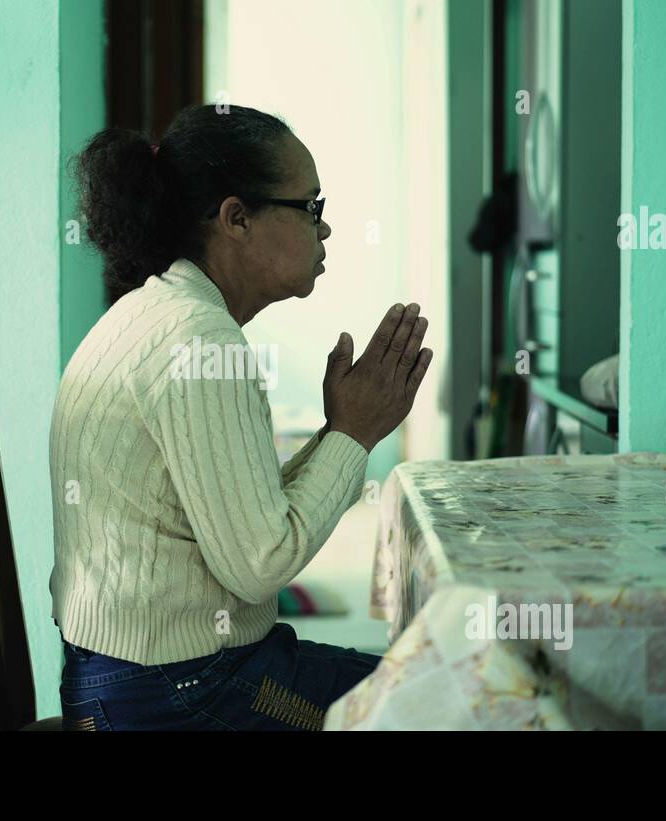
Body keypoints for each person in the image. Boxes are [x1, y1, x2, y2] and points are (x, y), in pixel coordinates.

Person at [49, 103, 432, 730]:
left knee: (420, 687)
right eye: (311, 207)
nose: (325, 229)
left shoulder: (166, 312)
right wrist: (356, 434)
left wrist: (339, 431)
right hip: (181, 693)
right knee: (443, 705)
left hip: (139, 679)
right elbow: (261, 563)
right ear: (237, 219)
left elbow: (241, 519)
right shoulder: (199, 341)